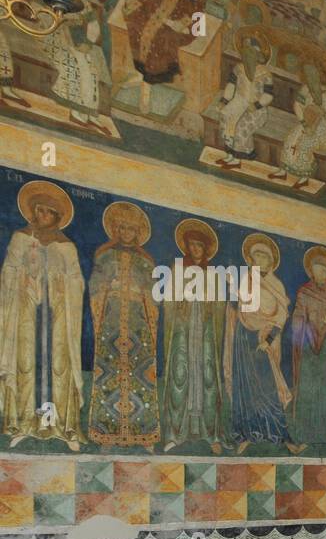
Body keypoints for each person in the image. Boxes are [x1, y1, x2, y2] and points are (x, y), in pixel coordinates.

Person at [0, 182, 85, 450]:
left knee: (60, 365)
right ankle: (25, 424)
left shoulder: (66, 245)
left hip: (58, 313)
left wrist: (64, 287)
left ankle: (61, 427)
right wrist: (22, 280)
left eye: (51, 212)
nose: (45, 215)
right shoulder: (21, 238)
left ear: (58, 217)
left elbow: (77, 282)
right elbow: (8, 272)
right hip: (26, 310)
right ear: (33, 212)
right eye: (41, 210)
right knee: (25, 364)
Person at [88, 202, 160, 447]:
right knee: (109, 373)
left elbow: (153, 294)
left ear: (138, 232)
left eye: (132, 229)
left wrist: (146, 302)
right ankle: (107, 433)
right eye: (123, 228)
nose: (127, 232)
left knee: (142, 376)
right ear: (116, 230)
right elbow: (96, 288)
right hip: (112, 321)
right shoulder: (105, 254)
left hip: (139, 322)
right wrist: (109, 292)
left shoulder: (146, 260)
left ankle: (144, 434)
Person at [160, 219, 225, 452]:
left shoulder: (214, 274)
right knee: (180, 372)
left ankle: (210, 434)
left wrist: (210, 303)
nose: (195, 249)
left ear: (206, 249)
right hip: (183, 327)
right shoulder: (178, 269)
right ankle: (175, 434)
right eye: (191, 245)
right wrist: (182, 302)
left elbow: (220, 306)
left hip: (205, 329)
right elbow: (168, 301)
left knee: (207, 375)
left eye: (199, 245)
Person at [226, 234, 291, 449]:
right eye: (255, 256)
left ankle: (277, 433)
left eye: (263, 256)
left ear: (271, 261)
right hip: (244, 337)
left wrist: (269, 340)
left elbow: (281, 316)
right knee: (246, 385)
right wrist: (232, 289)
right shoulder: (246, 281)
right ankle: (246, 434)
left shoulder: (277, 285)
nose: (259, 260)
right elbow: (238, 308)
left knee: (268, 386)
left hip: (265, 339)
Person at [287, 247, 326, 456]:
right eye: (315, 270)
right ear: (311, 272)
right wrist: (305, 326)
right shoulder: (304, 293)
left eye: (322, 270)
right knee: (307, 392)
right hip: (308, 349)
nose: (318, 274)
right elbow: (296, 317)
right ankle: (305, 437)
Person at [216, 32, 273, 170]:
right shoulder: (238, 68)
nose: (247, 56)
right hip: (238, 101)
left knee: (241, 125)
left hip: (256, 108)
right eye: (245, 52)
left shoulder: (265, 73)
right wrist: (224, 100)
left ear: (257, 55)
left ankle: (238, 158)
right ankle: (230, 155)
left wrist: (257, 105)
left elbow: (268, 95)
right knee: (226, 117)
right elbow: (231, 86)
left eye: (250, 53)